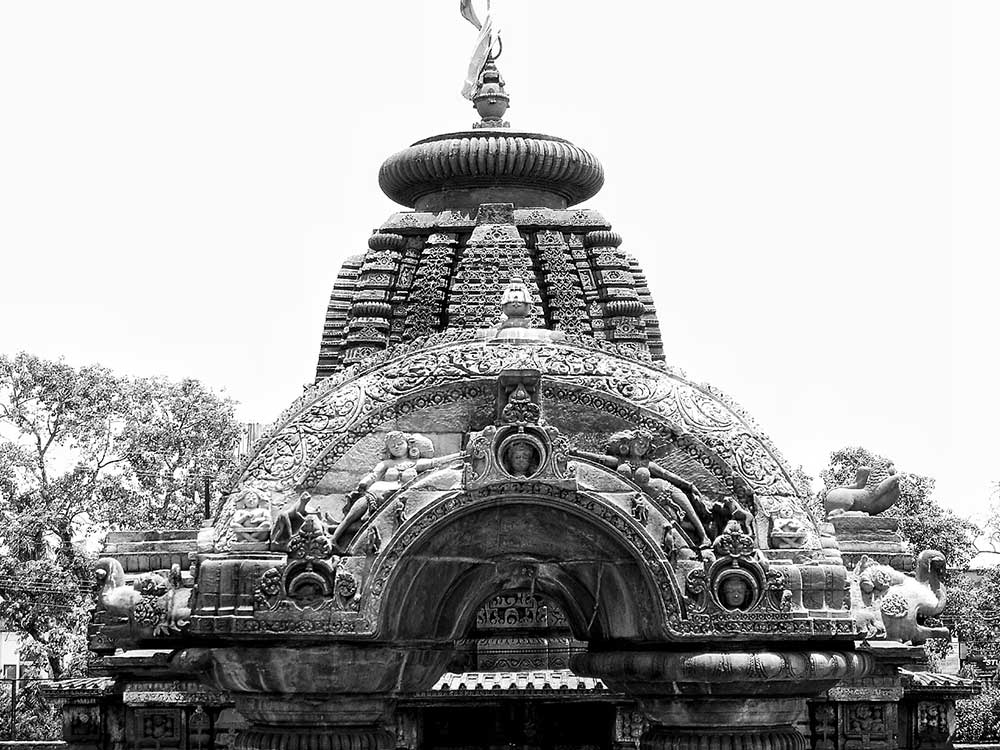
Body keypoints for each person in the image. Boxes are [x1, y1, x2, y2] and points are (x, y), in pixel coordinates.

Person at [331, 431, 461, 548]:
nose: (397, 447)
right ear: (388, 450)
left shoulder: (416, 463)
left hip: (405, 495)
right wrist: (364, 482)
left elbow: (437, 462)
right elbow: (374, 475)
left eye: (400, 443)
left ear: (408, 444)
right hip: (380, 493)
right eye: (393, 446)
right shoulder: (386, 464)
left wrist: (460, 455)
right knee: (356, 510)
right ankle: (335, 537)